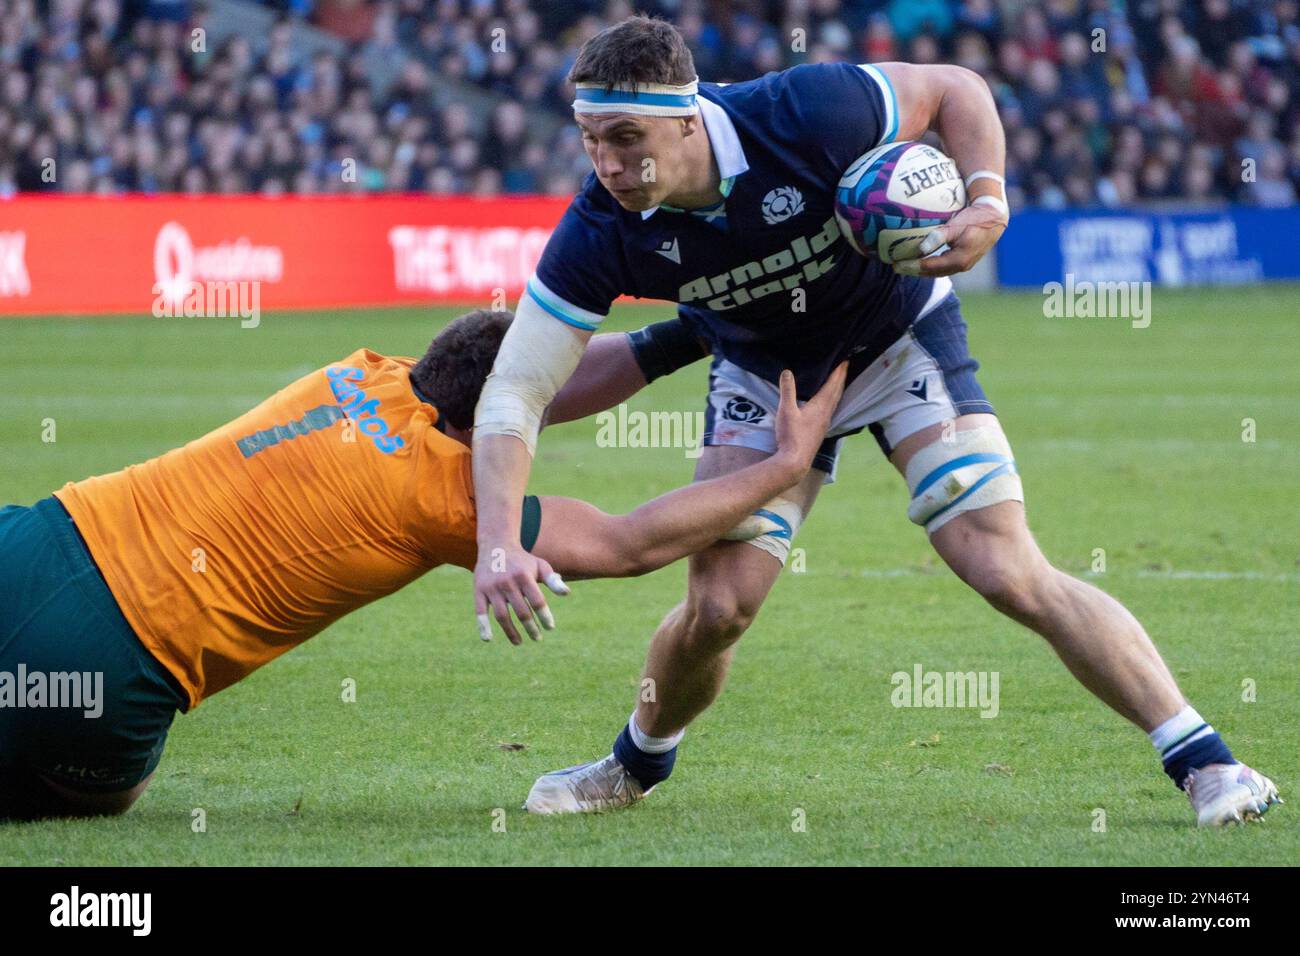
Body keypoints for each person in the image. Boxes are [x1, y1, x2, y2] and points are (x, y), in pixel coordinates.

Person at [468, 16, 1278, 827]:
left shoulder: (807, 111)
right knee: (719, 608)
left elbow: (957, 87)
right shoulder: (599, 228)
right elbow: (517, 391)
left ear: (688, 117)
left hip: (897, 342)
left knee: (1003, 566)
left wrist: (988, 200)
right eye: (590, 139)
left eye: (625, 136)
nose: (607, 163)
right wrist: (500, 542)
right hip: (766, 375)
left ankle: (1209, 763)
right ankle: (636, 761)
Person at [0, 308, 847, 821]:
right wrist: (779, 470)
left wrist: (693, 332)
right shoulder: (452, 501)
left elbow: (526, 384)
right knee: (113, 795)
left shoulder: (362, 372)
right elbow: (631, 545)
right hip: (117, 658)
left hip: (39, 537)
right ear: (488, 424)